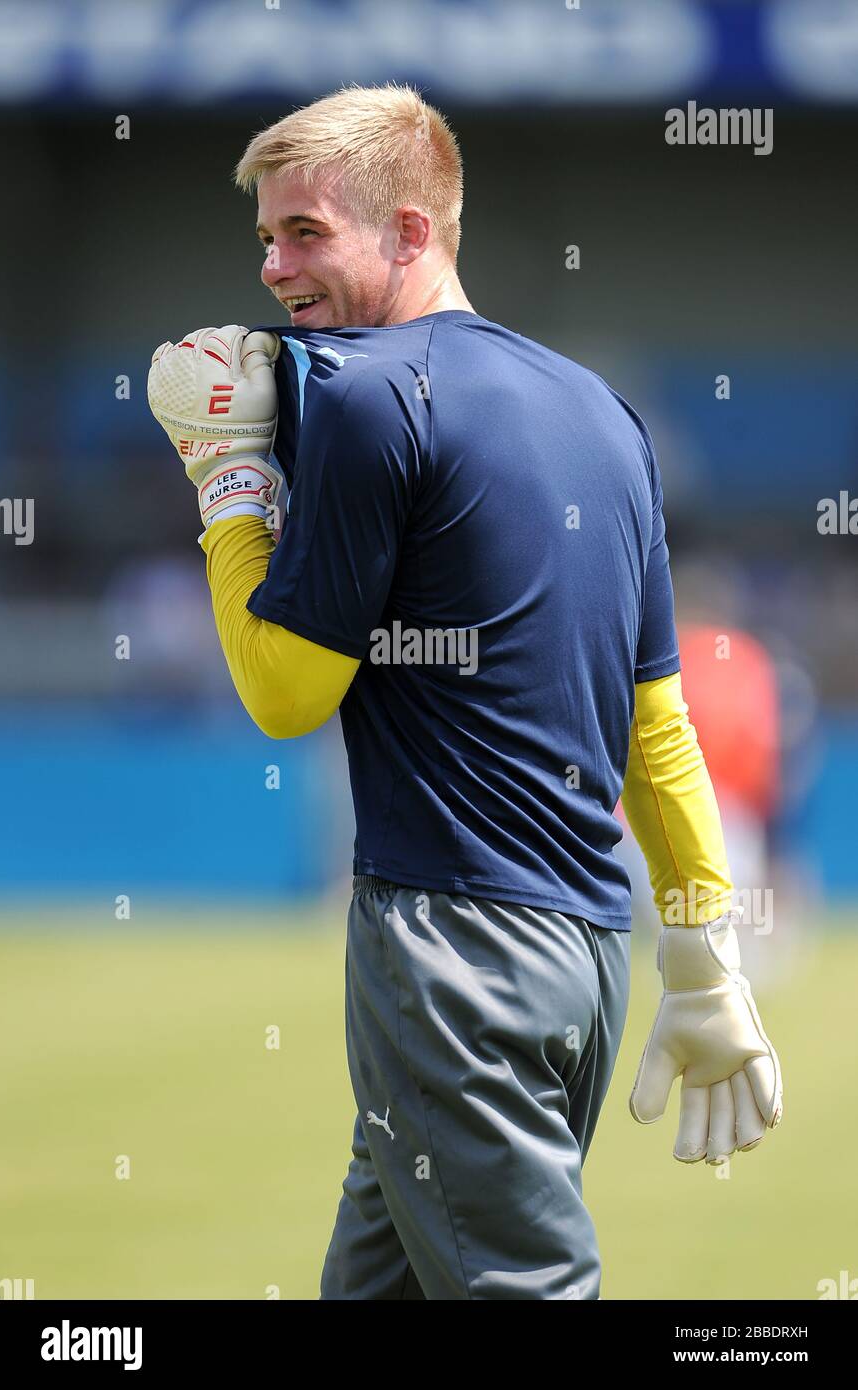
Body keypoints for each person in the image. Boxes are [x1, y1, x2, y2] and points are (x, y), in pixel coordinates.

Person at [147, 83, 782, 1301]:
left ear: (410, 231)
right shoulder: (607, 415)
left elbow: (285, 692)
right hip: (583, 955)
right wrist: (703, 949)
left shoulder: (358, 389)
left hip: (453, 951)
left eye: (306, 233)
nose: (275, 269)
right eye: (266, 238)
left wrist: (228, 481)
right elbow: (658, 728)